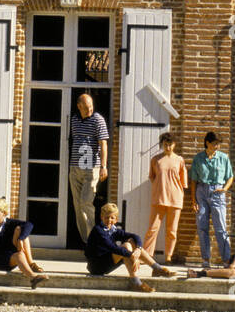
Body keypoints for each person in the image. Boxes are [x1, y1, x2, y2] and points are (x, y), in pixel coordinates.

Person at [85, 202, 175, 293]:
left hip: (107, 262)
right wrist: (132, 256)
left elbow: (135, 236)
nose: (109, 220)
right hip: (96, 266)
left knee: (131, 242)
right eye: (106, 217)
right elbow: (112, 248)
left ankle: (157, 269)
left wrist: (138, 249)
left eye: (112, 217)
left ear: (116, 219)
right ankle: (135, 282)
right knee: (126, 247)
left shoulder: (113, 230)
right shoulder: (98, 230)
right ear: (101, 217)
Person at [68, 92, 110, 242]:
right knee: (77, 204)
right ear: (79, 106)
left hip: (91, 168)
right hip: (75, 168)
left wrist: (104, 166)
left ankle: (94, 239)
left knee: (86, 202)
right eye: (86, 108)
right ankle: (86, 240)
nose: (90, 110)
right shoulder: (74, 120)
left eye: (91, 107)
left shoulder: (98, 119)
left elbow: (103, 144)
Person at [189, 131, 234, 267]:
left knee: (220, 227)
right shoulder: (198, 158)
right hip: (201, 192)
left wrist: (225, 189)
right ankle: (206, 260)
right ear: (207, 143)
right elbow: (193, 181)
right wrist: (193, 200)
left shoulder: (223, 158)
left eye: (219, 144)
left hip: (218, 192)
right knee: (202, 227)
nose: (217, 146)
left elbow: (230, 176)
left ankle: (226, 260)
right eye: (215, 144)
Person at [143, 131, 188, 263]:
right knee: (152, 229)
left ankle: (168, 256)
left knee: (172, 230)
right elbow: (152, 177)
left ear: (174, 145)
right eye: (165, 144)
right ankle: (146, 255)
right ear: (162, 144)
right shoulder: (155, 160)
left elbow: (183, 181)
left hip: (175, 199)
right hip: (159, 198)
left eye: (170, 144)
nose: (167, 147)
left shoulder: (180, 160)